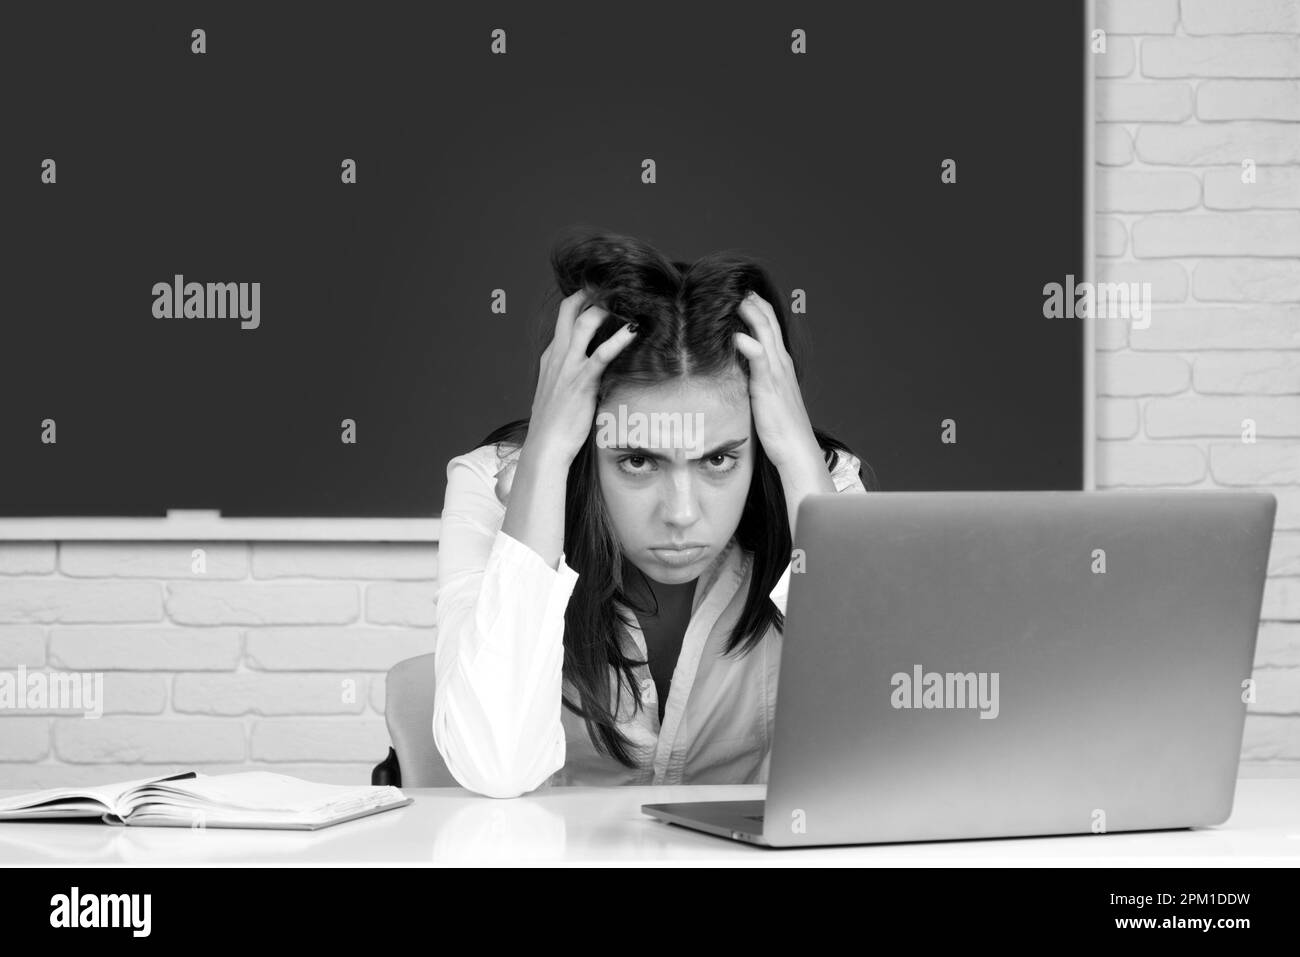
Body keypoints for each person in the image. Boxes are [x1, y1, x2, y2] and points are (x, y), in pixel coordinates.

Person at [433, 229, 877, 798]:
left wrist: (795, 453)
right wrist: (546, 457)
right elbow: (495, 766)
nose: (682, 515)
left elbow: (878, 742)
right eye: (638, 459)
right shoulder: (494, 488)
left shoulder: (818, 486)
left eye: (718, 458)